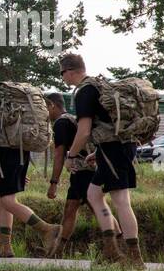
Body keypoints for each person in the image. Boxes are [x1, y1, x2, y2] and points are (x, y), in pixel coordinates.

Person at [0, 74, 62, 258]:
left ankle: (46, 229)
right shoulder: (0, 100)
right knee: (1, 197)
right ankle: (4, 245)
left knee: (7, 201)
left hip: (6, 154)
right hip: (19, 152)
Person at [60, 54, 142, 266]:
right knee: (93, 194)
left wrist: (70, 157)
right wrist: (97, 152)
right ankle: (111, 250)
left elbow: (84, 130)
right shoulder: (98, 86)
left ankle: (134, 257)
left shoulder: (85, 92)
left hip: (115, 150)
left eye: (62, 73)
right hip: (112, 149)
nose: (62, 78)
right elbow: (108, 123)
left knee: (121, 200)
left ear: (70, 71)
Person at [47, 90, 116, 255]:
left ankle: (117, 245)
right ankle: (57, 251)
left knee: (98, 209)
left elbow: (58, 155)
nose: (43, 112)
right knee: (70, 209)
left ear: (52, 106)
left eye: (44, 107)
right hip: (81, 172)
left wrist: (53, 183)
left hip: (84, 171)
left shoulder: (61, 124)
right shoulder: (71, 119)